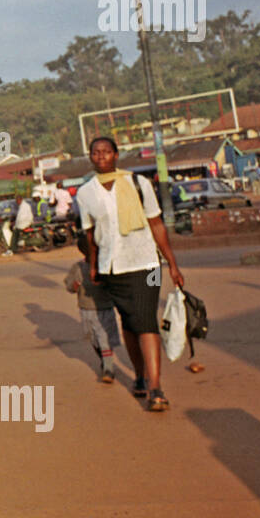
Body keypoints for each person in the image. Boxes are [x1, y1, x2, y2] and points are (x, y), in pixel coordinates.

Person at [76, 137, 186, 412]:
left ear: (115, 155)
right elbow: (90, 234)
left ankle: (155, 386)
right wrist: (92, 265)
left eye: (106, 152)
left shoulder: (138, 184)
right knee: (128, 322)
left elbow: (156, 223)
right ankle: (139, 374)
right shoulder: (86, 192)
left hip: (147, 263)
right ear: (91, 157)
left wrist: (171, 263)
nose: (101, 156)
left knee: (146, 319)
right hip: (112, 266)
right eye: (96, 153)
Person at [64, 235, 120, 383]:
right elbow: (69, 285)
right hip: (86, 309)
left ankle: (109, 369)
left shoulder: (105, 266)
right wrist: (73, 286)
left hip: (104, 307)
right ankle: (104, 359)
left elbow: (115, 284)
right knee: (94, 340)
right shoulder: (78, 268)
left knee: (104, 337)